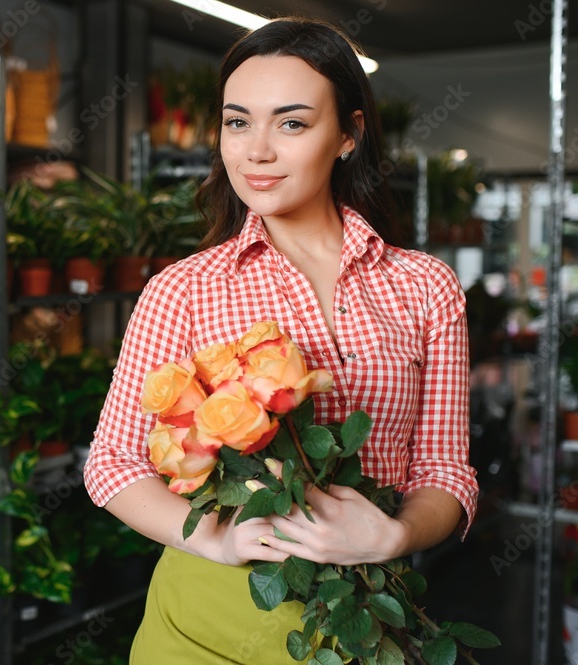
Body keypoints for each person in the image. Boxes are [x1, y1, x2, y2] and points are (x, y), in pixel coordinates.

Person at [83, 17, 478, 663]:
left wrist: (393, 535)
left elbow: (444, 469)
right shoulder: (181, 289)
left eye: (291, 123)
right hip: (204, 621)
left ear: (348, 135)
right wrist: (215, 540)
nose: (256, 150)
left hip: (366, 620)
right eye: (238, 122)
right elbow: (112, 463)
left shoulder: (424, 285)